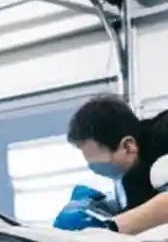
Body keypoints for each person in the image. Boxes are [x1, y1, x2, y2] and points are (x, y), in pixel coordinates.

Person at [58, 94, 168, 234]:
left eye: (101, 164)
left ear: (128, 147)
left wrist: (109, 229)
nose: (98, 171)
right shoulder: (133, 180)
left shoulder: (164, 132)